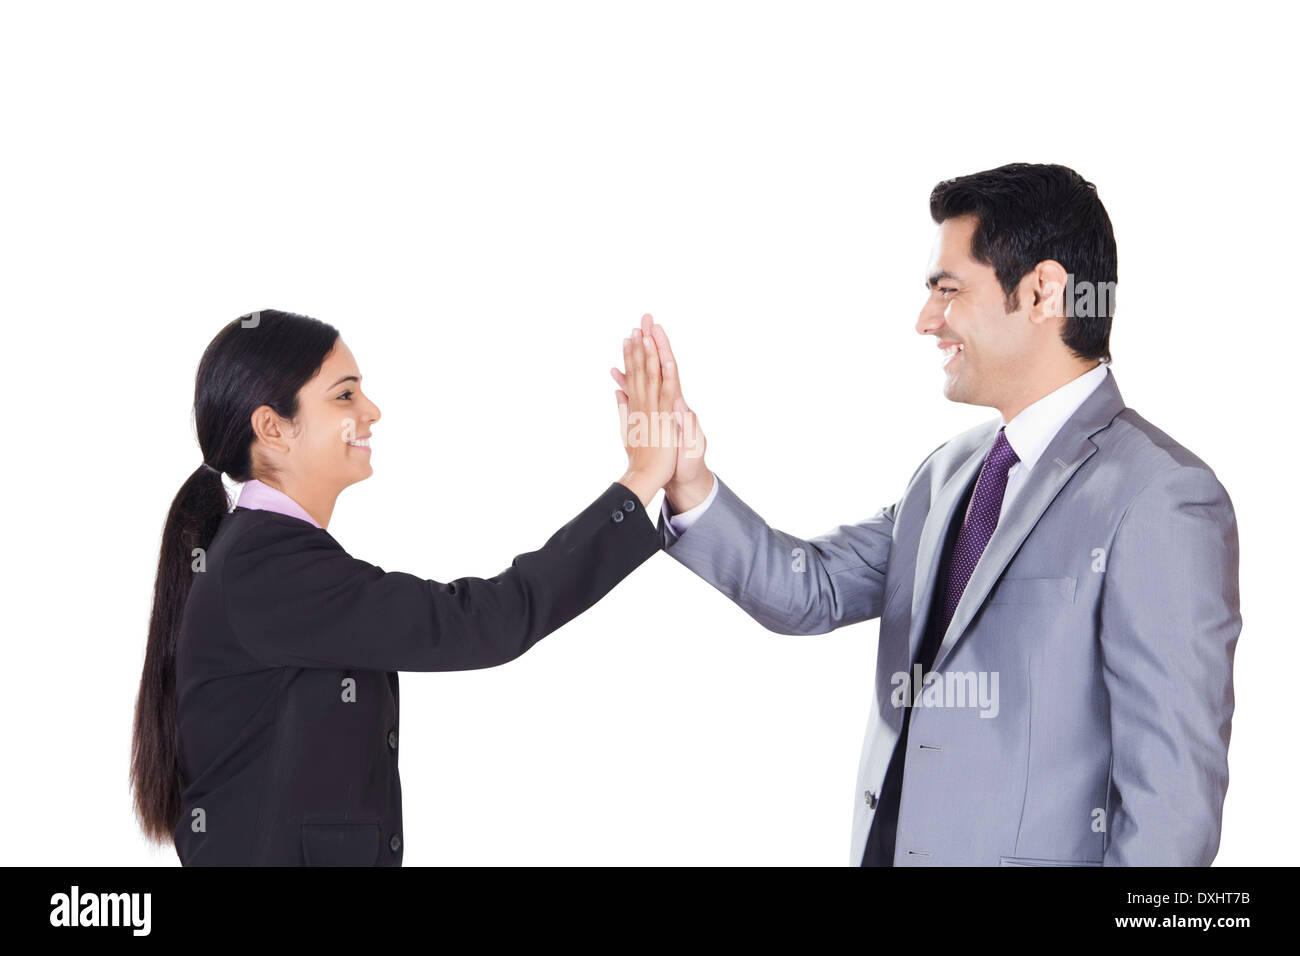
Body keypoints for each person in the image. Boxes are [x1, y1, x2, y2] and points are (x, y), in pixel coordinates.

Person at [625, 164, 1242, 866]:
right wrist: (687, 481)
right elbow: (809, 590)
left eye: (948, 291)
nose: (926, 321)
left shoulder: (1162, 497)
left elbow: (1173, 815)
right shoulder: (949, 473)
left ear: (1043, 291)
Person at [131, 309, 678, 865]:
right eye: (344, 396)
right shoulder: (263, 565)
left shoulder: (268, 556)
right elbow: (480, 623)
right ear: (272, 427)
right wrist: (639, 480)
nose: (371, 411)